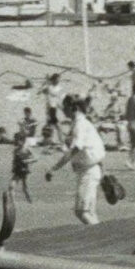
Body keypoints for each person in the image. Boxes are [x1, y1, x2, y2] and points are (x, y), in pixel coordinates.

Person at [45, 94, 107, 225]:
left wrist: (54, 168)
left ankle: (100, 237)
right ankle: (99, 237)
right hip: (90, 170)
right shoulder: (81, 124)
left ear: (74, 108)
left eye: (65, 108)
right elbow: (94, 147)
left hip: (88, 172)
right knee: (90, 212)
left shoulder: (80, 125)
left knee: (81, 212)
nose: (64, 111)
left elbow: (75, 149)